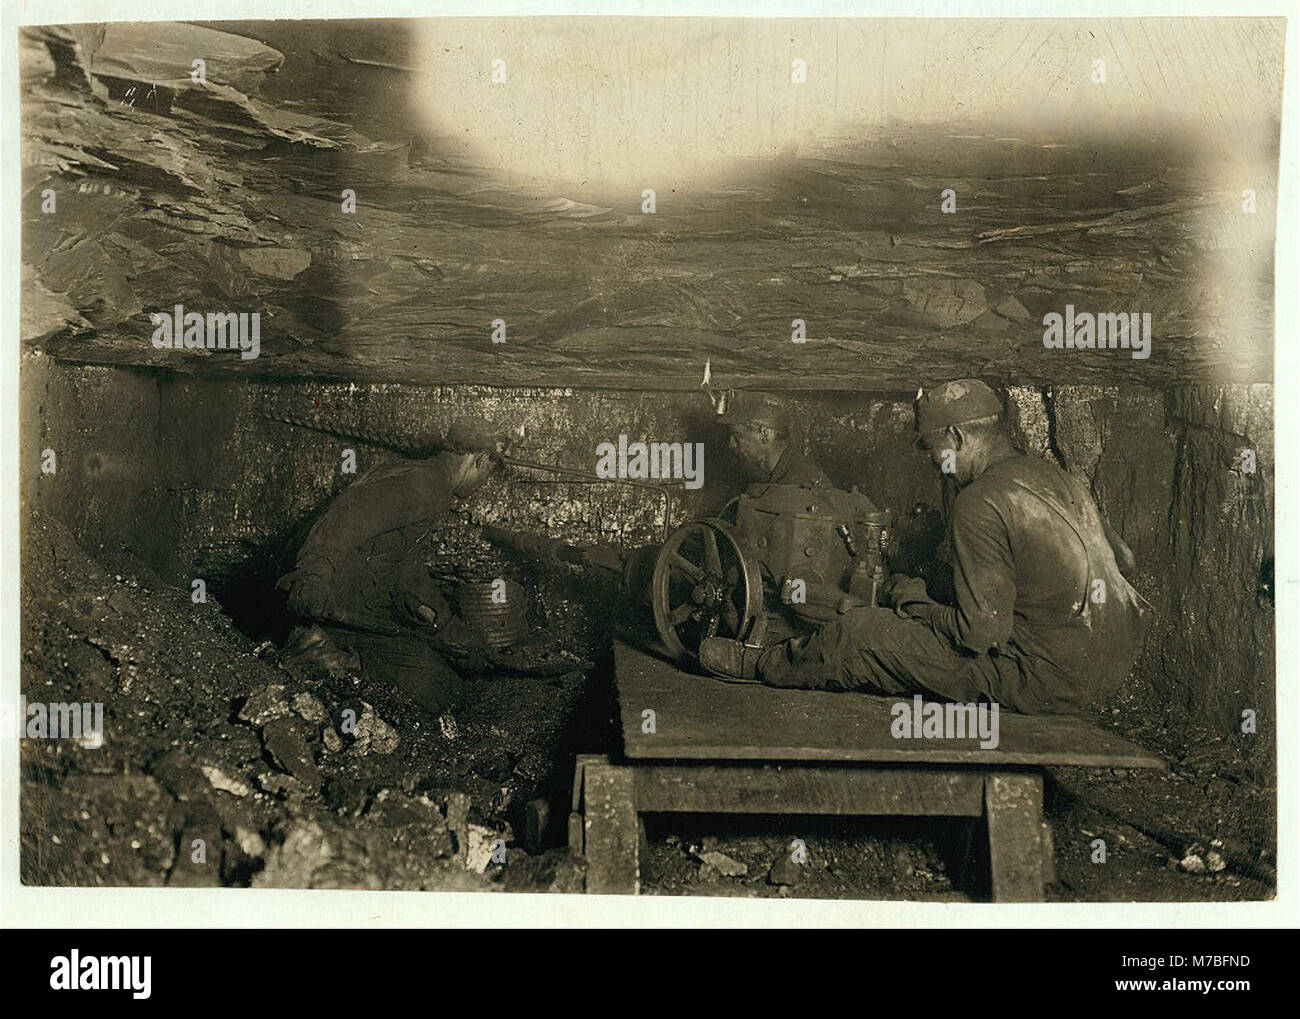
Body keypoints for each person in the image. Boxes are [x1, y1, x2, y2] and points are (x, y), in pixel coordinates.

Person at [698, 380, 1151, 716]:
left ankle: (760, 665)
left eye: (934, 449)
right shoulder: (1054, 477)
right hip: (1108, 662)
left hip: (1043, 679)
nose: (935, 462)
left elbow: (982, 635)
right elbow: (1123, 560)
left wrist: (912, 602)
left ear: (956, 438)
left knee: (860, 632)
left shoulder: (982, 500)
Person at [277, 416, 511, 717]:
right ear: (482, 460)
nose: (484, 483)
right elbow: (344, 519)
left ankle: (322, 649)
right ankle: (328, 659)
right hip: (337, 611)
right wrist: (312, 579)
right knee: (440, 691)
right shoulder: (427, 486)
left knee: (443, 681)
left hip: (352, 609)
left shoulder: (424, 478)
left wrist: (445, 624)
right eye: (490, 471)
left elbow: (405, 568)